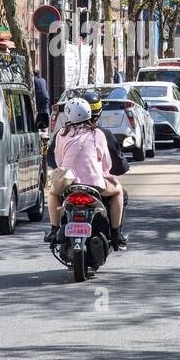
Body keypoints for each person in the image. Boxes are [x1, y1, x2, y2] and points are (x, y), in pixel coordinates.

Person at [44, 92, 129, 248]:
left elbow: (58, 161)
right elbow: (107, 164)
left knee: (52, 193)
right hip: (95, 184)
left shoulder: (61, 134)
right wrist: (105, 175)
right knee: (118, 191)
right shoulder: (98, 133)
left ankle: (53, 230)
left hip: (69, 185)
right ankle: (116, 234)